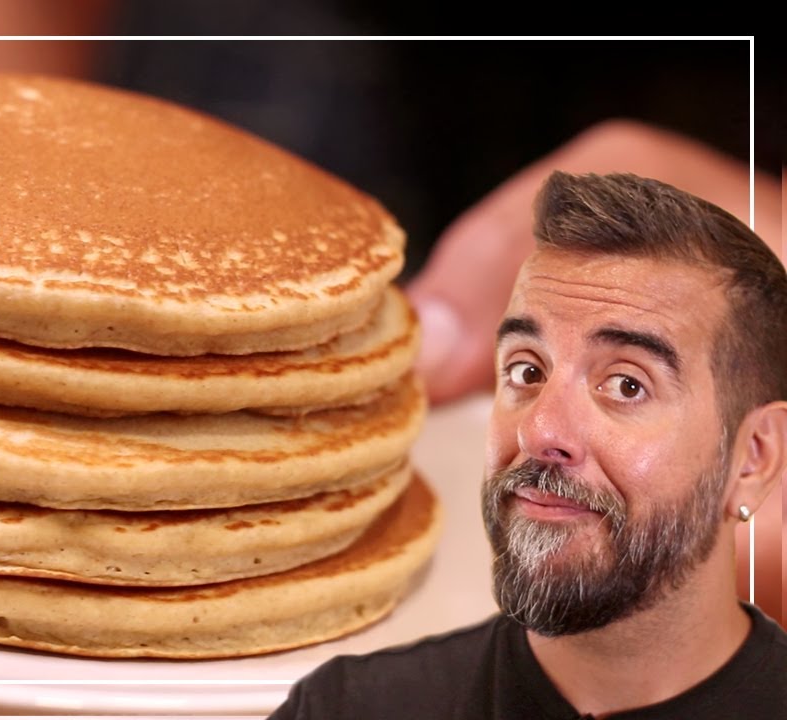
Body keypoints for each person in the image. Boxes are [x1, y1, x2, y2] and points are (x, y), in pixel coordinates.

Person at [269, 171, 787, 719]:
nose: (540, 433)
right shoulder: (348, 709)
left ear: (753, 458)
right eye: (526, 370)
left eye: (626, 385)